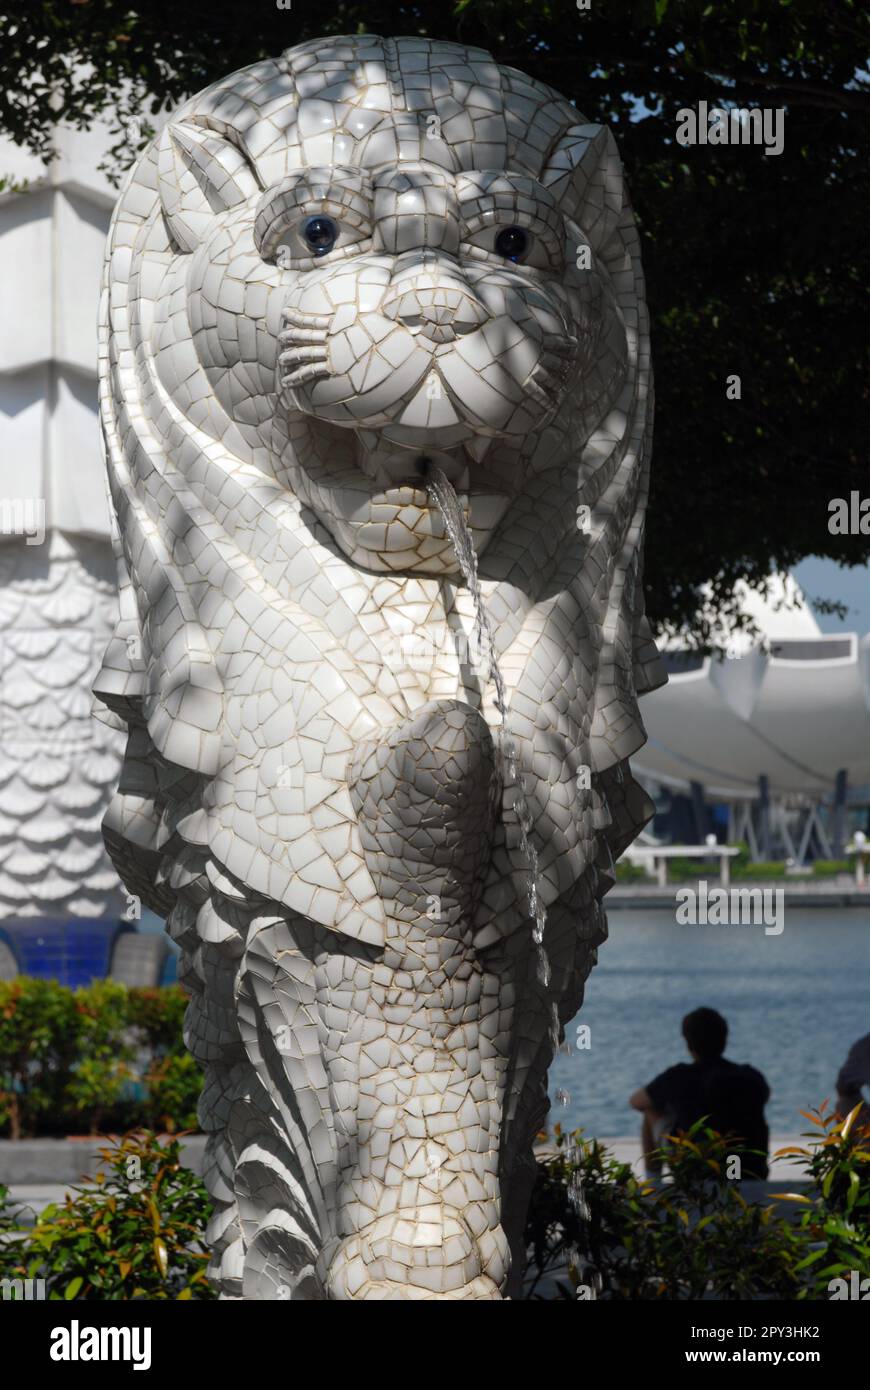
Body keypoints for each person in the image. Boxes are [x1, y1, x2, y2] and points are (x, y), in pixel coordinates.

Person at [629, 1007, 770, 1179]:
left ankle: (652, 1183)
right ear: (724, 1039)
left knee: (650, 1109)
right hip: (749, 1171)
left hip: (696, 1173)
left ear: (688, 1043)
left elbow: (636, 1101)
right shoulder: (751, 1077)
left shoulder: (678, 1076)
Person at [835, 1031, 870, 1129]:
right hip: (850, 1101)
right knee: (845, 1105)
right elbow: (844, 1088)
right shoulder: (865, 1048)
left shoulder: (863, 1046)